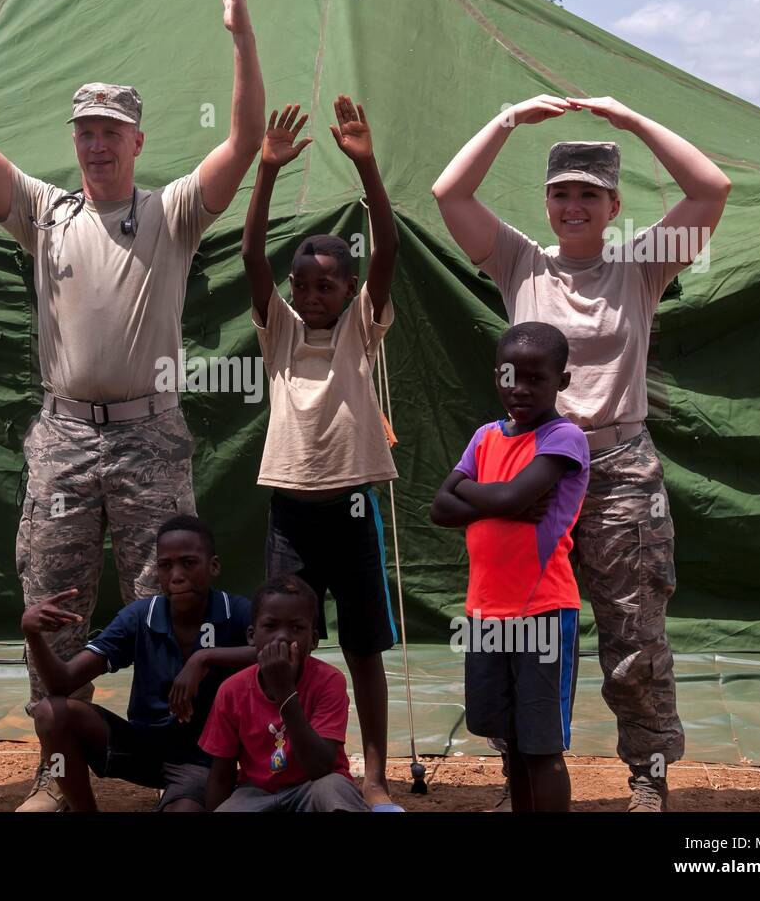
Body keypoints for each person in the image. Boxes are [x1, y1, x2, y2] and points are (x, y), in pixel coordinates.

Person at [0, 0, 265, 809]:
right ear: (73, 140)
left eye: (112, 130)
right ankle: (55, 768)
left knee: (170, 606)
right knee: (55, 602)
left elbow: (246, 142)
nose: (97, 142)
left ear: (138, 141)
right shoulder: (44, 213)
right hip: (66, 434)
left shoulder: (171, 212)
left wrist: (243, 39)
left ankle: (175, 762)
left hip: (152, 435)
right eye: (85, 130)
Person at [431, 94, 731, 810]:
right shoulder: (518, 264)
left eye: (590, 196)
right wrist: (504, 119)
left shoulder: (639, 268)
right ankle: (522, 772)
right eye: (562, 194)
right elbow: (449, 192)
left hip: (620, 467)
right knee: (515, 627)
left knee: (634, 635)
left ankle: (648, 771)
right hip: (531, 467)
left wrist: (632, 119)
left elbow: (711, 189)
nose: (575, 207)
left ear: (612, 204)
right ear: (546, 204)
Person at [240, 98, 400, 808]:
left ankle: (372, 773)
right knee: (282, 647)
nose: (310, 294)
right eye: (302, 284)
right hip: (290, 516)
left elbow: (388, 248)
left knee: (364, 649)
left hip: (355, 506)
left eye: (326, 284)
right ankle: (284, 766)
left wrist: (365, 164)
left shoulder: (361, 328)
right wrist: (266, 173)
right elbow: (250, 254)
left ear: (348, 288)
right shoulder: (278, 329)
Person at [431, 322, 589, 811]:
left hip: (542, 612)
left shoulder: (565, 437)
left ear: (561, 382)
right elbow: (440, 507)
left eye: (535, 379)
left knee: (542, 749)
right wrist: (501, 502)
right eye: (508, 376)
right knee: (511, 742)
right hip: (485, 614)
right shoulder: (484, 437)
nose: (518, 389)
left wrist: (483, 497)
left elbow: (513, 492)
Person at [20, 516, 254, 811]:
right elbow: (62, 683)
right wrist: (33, 634)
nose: (177, 575)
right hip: (143, 748)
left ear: (214, 566)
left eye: (189, 563)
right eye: (166, 566)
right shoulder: (140, 615)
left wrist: (204, 657)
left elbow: (279, 653)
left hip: (202, 760)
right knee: (50, 713)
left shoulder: (238, 612)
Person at [200, 576, 367, 812]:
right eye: (270, 626)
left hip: (313, 787)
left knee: (334, 791)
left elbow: (320, 768)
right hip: (257, 793)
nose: (282, 637)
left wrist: (284, 690)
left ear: (313, 640)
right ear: (251, 636)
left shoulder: (329, 681)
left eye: (297, 628)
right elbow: (221, 775)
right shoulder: (232, 690)